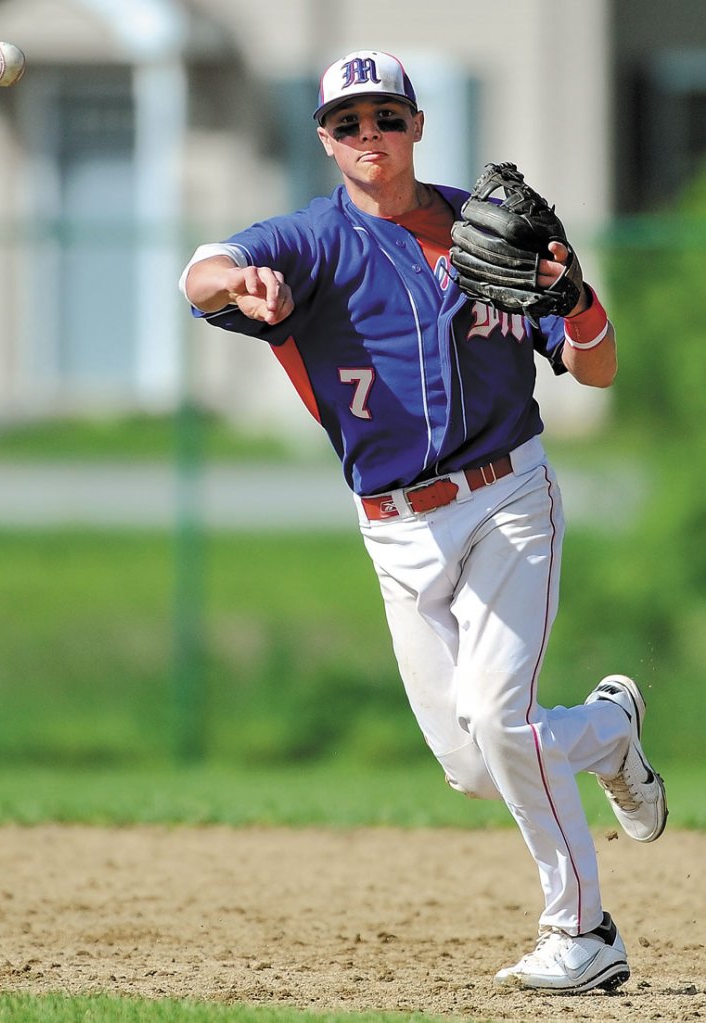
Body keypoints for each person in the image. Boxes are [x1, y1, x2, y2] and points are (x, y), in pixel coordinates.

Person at [179, 50, 667, 994]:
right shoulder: (311, 243)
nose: (370, 137)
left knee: (498, 715)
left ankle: (583, 931)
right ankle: (605, 731)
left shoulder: (494, 233)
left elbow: (599, 369)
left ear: (417, 124)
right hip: (396, 528)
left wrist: (577, 299)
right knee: (477, 763)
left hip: (508, 499)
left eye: (386, 118)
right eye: (348, 124)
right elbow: (202, 269)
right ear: (325, 139)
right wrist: (239, 286)